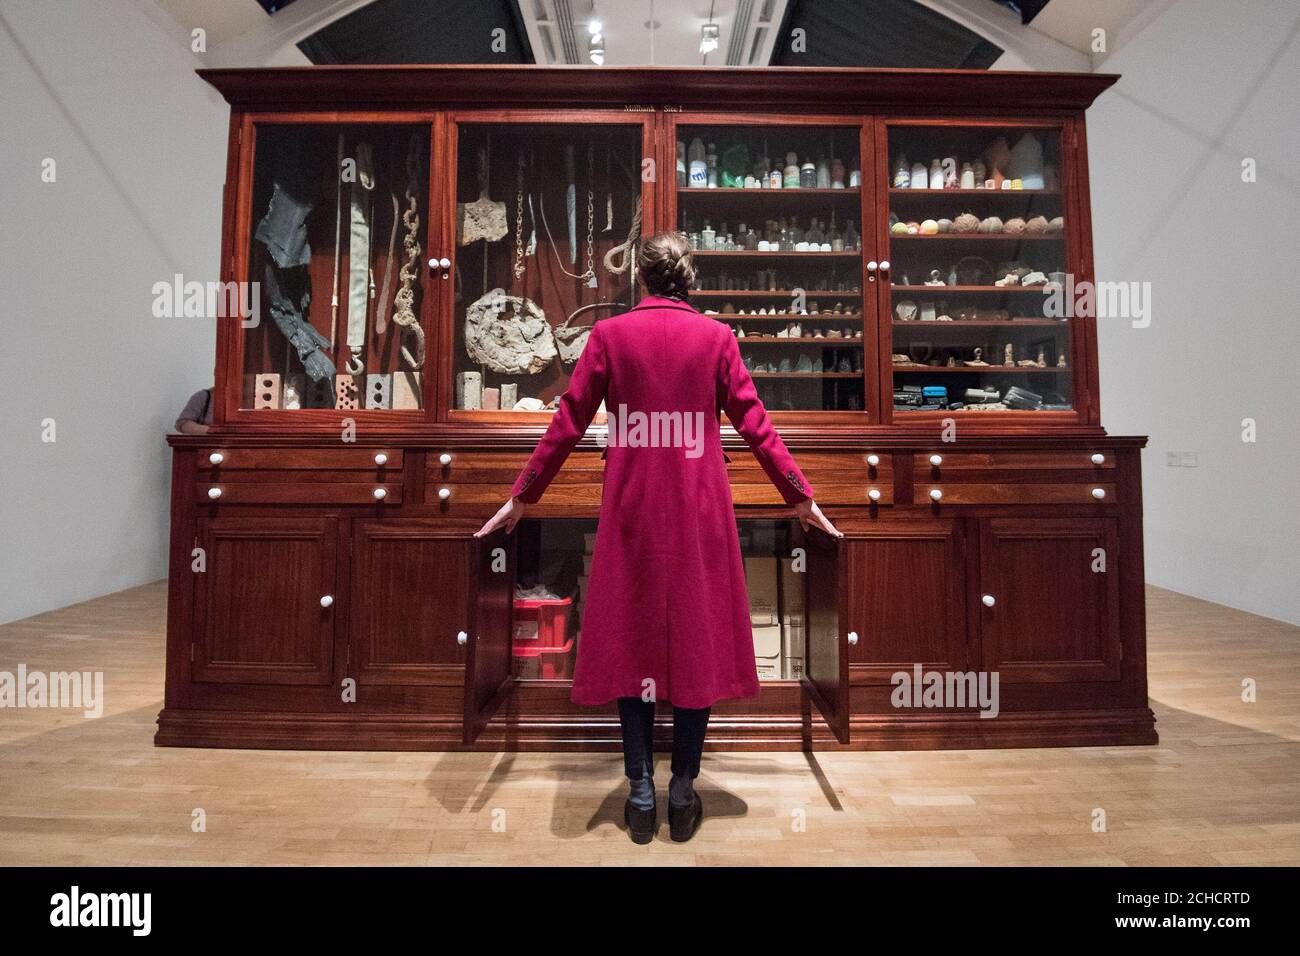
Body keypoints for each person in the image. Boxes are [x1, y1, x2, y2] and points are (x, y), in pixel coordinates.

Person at [475, 232, 841, 844]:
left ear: (641, 280)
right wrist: (800, 496)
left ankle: (640, 792)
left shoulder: (610, 337)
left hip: (632, 515)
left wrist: (523, 494)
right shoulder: (717, 338)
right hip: (699, 516)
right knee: (695, 644)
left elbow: (567, 420)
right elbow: (757, 424)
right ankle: (682, 790)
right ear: (687, 280)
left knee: (631, 647)